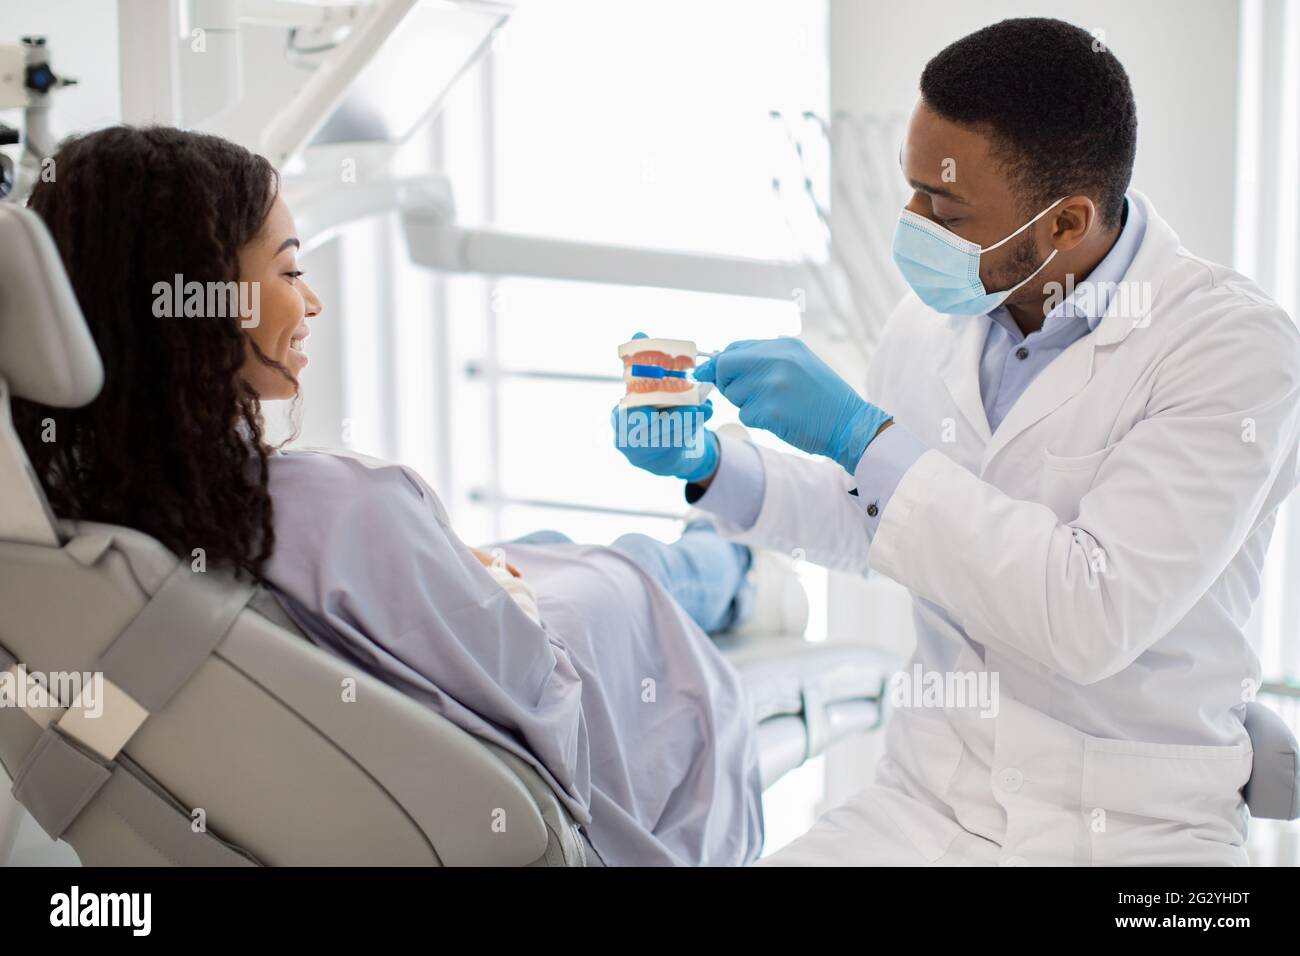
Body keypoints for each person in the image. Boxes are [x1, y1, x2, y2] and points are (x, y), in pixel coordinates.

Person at [615, 17, 1300, 865]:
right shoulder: (935, 321)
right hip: (926, 807)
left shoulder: (1228, 350)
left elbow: (1090, 615)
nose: (911, 222)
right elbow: (885, 525)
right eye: (911, 189)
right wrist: (718, 467)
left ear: (1064, 224)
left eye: (944, 206)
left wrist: (861, 437)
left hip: (1137, 835)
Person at [13, 124, 764, 867]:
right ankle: (738, 564)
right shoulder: (351, 507)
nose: (312, 303)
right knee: (624, 566)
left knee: (553, 551)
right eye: (287, 270)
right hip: (586, 650)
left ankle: (716, 562)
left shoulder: (59, 526)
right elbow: (546, 717)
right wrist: (515, 608)